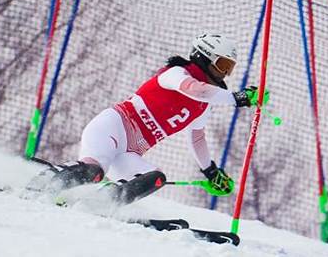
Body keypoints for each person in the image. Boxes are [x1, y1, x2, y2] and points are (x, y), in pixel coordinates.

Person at [41, 33, 263, 205]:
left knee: (155, 178)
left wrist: (211, 171)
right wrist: (236, 98)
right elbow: (193, 89)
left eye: (229, 68)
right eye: (223, 65)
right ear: (204, 56)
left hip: (130, 152)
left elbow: (197, 139)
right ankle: (41, 183)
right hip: (113, 127)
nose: (225, 74)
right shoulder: (176, 73)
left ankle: (97, 204)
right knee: (94, 171)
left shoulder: (204, 105)